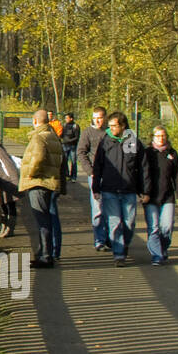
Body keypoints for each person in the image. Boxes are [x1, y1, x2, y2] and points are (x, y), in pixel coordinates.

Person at [91, 111, 144, 265]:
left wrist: (143, 190)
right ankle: (119, 254)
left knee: (129, 223)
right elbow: (98, 166)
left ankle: (123, 244)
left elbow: (141, 167)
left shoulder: (133, 142)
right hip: (109, 189)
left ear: (123, 126)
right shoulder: (105, 142)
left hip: (128, 189)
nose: (111, 128)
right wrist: (96, 188)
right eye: (110, 126)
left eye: (114, 126)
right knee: (114, 223)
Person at [18, 108, 64, 268]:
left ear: (35, 121)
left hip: (39, 182)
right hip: (50, 182)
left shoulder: (38, 137)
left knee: (41, 220)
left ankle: (44, 255)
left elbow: (38, 156)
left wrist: (31, 173)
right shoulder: (53, 136)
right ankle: (48, 252)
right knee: (48, 219)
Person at [140, 125, 178, 265]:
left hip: (168, 196)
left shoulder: (172, 153)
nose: (161, 138)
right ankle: (157, 255)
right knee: (154, 227)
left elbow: (177, 176)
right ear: (153, 137)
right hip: (150, 196)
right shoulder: (147, 153)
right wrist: (142, 192)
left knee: (167, 227)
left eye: (163, 135)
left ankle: (162, 249)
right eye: (158, 136)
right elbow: (141, 174)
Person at [77, 107, 108, 250]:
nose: (97, 120)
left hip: (112, 176)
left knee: (111, 208)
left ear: (105, 117)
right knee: (98, 208)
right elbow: (81, 152)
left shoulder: (111, 132)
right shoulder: (87, 132)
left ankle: (110, 238)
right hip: (95, 176)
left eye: (100, 117)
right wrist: (90, 171)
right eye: (95, 117)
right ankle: (99, 240)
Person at [60, 113, 80, 180]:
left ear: (71, 118)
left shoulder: (75, 126)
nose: (66, 119)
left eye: (67, 118)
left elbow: (77, 137)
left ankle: (73, 176)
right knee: (65, 161)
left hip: (73, 146)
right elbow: (62, 134)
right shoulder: (64, 125)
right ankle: (66, 175)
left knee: (73, 161)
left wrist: (69, 141)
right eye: (65, 118)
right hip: (65, 146)